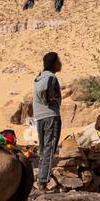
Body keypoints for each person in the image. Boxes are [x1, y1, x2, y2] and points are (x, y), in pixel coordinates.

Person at [33, 52, 63, 191]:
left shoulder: (38, 78)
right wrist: (56, 102)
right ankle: (43, 182)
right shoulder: (52, 77)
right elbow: (50, 98)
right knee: (50, 148)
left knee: (43, 148)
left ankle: (41, 178)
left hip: (39, 117)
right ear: (53, 64)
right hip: (51, 116)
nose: (61, 64)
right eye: (58, 61)